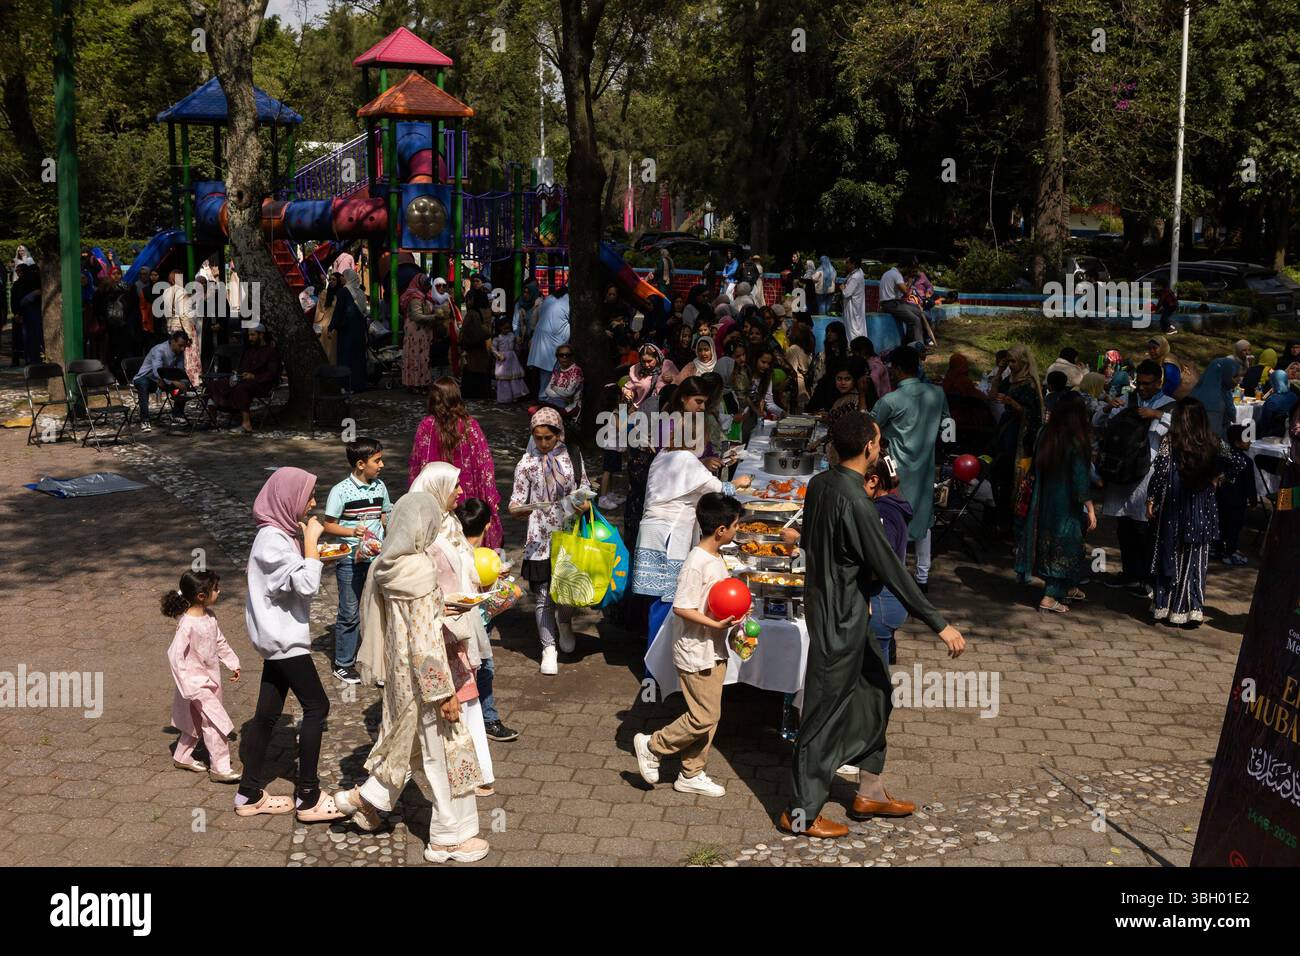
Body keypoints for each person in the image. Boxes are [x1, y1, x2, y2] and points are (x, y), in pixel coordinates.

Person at [784, 411, 965, 839]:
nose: (881, 448)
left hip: (846, 610)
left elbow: (813, 540)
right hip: (839, 617)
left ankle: (870, 790)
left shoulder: (820, 484)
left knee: (876, 692)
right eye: (879, 442)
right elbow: (893, 569)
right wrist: (939, 623)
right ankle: (799, 813)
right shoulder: (857, 501)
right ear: (868, 447)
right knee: (822, 714)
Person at [335, 493, 489, 863]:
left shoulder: (391, 565)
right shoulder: (420, 571)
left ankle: (364, 801)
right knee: (446, 756)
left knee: (413, 747)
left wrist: (440, 606)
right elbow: (424, 641)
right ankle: (448, 839)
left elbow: (408, 624)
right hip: (427, 681)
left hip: (402, 679)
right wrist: (445, 694)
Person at [236, 467, 344, 823]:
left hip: (278, 638)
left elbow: (295, 577)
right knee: (317, 707)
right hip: (284, 639)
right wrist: (312, 541)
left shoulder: (280, 534)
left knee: (267, 715)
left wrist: (311, 550)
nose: (313, 502)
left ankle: (248, 793)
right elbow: (307, 586)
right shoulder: (271, 540)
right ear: (288, 498)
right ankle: (309, 797)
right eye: (308, 495)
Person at [633, 493, 744, 797]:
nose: (737, 531)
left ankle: (691, 773)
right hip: (696, 651)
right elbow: (682, 607)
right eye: (735, 526)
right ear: (720, 529)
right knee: (703, 716)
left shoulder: (716, 557)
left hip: (714, 648)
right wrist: (717, 625)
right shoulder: (696, 563)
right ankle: (654, 744)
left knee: (711, 715)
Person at [632, 382, 752, 638]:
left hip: (654, 532)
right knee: (667, 600)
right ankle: (654, 668)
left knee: (656, 601)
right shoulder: (685, 459)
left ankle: (653, 663)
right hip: (669, 534)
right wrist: (740, 483)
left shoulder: (663, 455)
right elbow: (718, 489)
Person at [408, 463, 496, 797]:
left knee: (466, 695)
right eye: (455, 487)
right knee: (451, 700)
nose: (461, 493)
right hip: (438, 629)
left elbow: (464, 565)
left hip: (461, 619)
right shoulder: (424, 530)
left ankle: (477, 771)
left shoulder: (451, 524)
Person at [507, 407, 593, 675]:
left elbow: (585, 490)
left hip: (568, 533)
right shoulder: (526, 463)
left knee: (565, 590)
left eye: (548, 437)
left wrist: (584, 505)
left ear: (558, 433)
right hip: (539, 537)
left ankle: (564, 623)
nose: (543, 443)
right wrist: (518, 510)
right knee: (543, 593)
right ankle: (548, 646)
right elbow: (516, 500)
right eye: (538, 437)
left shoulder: (573, 457)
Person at [1147, 398, 1241, 626]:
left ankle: (1166, 606)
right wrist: (1218, 479)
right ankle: (1190, 610)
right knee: (1196, 560)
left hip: (1173, 511)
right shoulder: (1214, 442)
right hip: (1202, 512)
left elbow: (1159, 474)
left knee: (1172, 556)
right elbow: (1238, 463)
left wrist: (1151, 499)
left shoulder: (1172, 442)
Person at [871, 346, 948, 592]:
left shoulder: (891, 400)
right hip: (925, 467)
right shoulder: (938, 393)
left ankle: (899, 575)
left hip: (895, 471)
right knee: (924, 520)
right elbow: (948, 428)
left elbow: (871, 427)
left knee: (896, 519)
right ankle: (923, 576)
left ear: (897, 368)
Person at [1095, 359, 1174, 596]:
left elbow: (1184, 426)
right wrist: (1109, 408)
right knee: (1124, 525)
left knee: (1145, 528)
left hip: (1148, 474)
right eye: (1139, 383)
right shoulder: (1129, 400)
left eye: (1148, 384)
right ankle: (1129, 574)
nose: (1142, 388)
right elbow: (1098, 424)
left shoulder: (1170, 405)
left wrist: (1157, 414)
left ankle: (1147, 578)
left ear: (1159, 382)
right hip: (1121, 472)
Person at [1015, 396, 1096, 612]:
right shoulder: (1075, 440)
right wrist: (1090, 508)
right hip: (1065, 503)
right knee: (1065, 546)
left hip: (1041, 500)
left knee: (1047, 543)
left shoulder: (1045, 433)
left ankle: (1067, 587)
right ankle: (1050, 596)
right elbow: (1080, 480)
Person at [321, 438, 391, 685]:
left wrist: (386, 524)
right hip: (350, 560)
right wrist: (352, 533)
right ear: (361, 464)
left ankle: (380, 663)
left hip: (376, 558)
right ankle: (343, 663)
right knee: (350, 612)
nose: (381, 465)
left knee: (378, 610)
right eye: (377, 460)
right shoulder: (340, 491)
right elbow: (329, 524)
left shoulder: (380, 487)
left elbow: (386, 513)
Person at [163, 570, 241, 783]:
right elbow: (174, 655)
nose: (219, 591)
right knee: (216, 722)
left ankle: (182, 756)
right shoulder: (187, 624)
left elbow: (220, 641)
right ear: (201, 595)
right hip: (196, 685)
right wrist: (187, 685)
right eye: (215, 589)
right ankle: (220, 768)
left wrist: (233, 662)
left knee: (195, 722)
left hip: (211, 681)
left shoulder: (210, 617)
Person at [408, 377, 503, 548]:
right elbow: (485, 466)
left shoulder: (426, 426)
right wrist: (490, 497)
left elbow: (417, 465)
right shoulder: (470, 425)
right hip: (467, 496)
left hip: (436, 498)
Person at [456, 497, 520, 742]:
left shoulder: (460, 550)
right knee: (482, 668)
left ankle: (481, 718)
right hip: (468, 622)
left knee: (478, 668)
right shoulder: (468, 554)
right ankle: (486, 719)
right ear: (486, 526)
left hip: (477, 619)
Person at [990, 345, 1043, 534]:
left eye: (1013, 361)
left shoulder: (1028, 384)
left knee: (1014, 478)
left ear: (1023, 362)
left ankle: (1013, 522)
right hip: (1006, 429)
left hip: (1020, 434)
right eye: (1009, 361)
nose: (1011, 365)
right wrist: (1000, 371)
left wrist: (1012, 403)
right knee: (1000, 473)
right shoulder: (1011, 380)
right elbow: (993, 394)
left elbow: (1034, 414)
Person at [864, 450, 911, 664]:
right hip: (887, 600)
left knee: (875, 673)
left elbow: (881, 559)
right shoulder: (891, 504)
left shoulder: (882, 513)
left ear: (874, 481)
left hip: (880, 601)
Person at [205, 324, 283, 434]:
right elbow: (241, 368)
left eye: (253, 335)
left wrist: (254, 376)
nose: (250, 338)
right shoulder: (249, 351)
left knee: (241, 389)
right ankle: (213, 421)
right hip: (244, 380)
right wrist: (237, 375)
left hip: (262, 384)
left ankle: (247, 424)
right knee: (215, 385)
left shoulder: (271, 352)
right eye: (249, 335)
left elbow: (272, 374)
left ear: (261, 335)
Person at [1214, 423, 1256, 567]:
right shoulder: (1246, 462)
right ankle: (1229, 553)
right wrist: (1253, 500)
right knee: (1234, 528)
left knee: (1222, 525)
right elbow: (1250, 484)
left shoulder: (1224, 456)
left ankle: (1218, 549)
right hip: (1237, 502)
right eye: (1247, 439)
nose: (1250, 442)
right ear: (1238, 442)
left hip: (1221, 499)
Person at [132, 331, 190, 432]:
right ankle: (144, 420)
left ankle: (177, 414)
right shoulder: (159, 350)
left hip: (162, 380)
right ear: (172, 342)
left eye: (184, 346)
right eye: (180, 345)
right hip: (146, 378)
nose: (182, 349)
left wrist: (182, 381)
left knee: (184, 382)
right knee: (143, 384)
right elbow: (157, 372)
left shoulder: (180, 351)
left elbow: (180, 371)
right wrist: (172, 382)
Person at [327, 267, 370, 393]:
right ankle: (359, 384)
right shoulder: (361, 293)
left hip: (347, 330)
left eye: (344, 276)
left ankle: (346, 385)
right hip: (359, 329)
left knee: (346, 356)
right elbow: (364, 312)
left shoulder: (344, 292)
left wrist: (331, 327)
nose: (342, 278)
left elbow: (338, 312)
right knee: (358, 356)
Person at [528, 284, 570, 397]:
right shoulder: (569, 301)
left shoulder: (550, 298)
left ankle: (544, 399)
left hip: (543, 340)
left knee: (546, 374)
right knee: (553, 374)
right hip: (555, 341)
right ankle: (547, 401)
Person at [1190, 355, 1243, 437]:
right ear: (1224, 376)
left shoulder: (1222, 391)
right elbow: (1212, 437)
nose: (1239, 379)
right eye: (1235, 376)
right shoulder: (1213, 402)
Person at [399, 273, 436, 390]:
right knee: (416, 357)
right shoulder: (415, 297)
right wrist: (435, 317)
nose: (427, 287)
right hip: (416, 332)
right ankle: (415, 383)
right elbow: (417, 316)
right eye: (425, 285)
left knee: (423, 357)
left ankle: (422, 382)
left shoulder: (425, 296)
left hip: (423, 332)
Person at [878, 261, 926, 346]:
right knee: (915, 320)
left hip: (893, 303)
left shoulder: (888, 273)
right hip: (891, 304)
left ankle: (909, 343)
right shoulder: (897, 274)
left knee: (918, 311)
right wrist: (910, 282)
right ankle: (919, 346)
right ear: (905, 267)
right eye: (909, 269)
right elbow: (906, 292)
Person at [540, 343, 584, 428]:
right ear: (557, 357)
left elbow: (569, 393)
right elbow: (547, 391)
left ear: (572, 356)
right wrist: (562, 395)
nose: (564, 357)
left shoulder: (576, 371)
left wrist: (555, 387)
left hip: (570, 406)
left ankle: (554, 436)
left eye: (568, 355)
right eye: (561, 355)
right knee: (534, 410)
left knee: (544, 415)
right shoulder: (557, 370)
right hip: (554, 402)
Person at [492, 315, 529, 403]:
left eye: (508, 328)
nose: (506, 330)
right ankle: (505, 397)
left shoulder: (512, 335)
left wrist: (518, 345)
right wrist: (498, 355)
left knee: (514, 377)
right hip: (503, 360)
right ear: (500, 328)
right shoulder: (498, 337)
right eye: (504, 328)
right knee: (504, 378)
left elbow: (516, 347)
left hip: (512, 358)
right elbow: (493, 348)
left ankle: (516, 395)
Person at [1261, 364, 1300, 437]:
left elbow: (1265, 422)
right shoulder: (1294, 396)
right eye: (1292, 368)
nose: (1294, 371)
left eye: (1298, 370)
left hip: (1274, 433)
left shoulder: (1272, 400)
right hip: (1291, 431)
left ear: (1272, 382)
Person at [840, 255, 867, 341]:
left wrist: (842, 287)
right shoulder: (858, 273)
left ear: (853, 264)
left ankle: (855, 349)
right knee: (857, 327)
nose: (845, 264)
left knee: (853, 329)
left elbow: (846, 293)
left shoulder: (855, 277)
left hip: (853, 308)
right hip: (856, 306)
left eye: (847, 263)